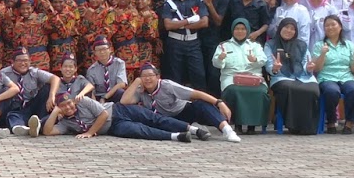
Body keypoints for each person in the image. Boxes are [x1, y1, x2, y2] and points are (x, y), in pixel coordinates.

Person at [120, 63, 242, 142]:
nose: (147, 79)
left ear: (157, 77)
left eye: (150, 75)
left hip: (182, 112)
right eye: (143, 76)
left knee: (201, 105)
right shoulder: (141, 91)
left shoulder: (167, 85)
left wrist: (219, 103)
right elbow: (124, 101)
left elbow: (196, 94)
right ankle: (196, 130)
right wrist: (136, 82)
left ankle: (227, 131)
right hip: (165, 120)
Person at [41, 91, 200, 142]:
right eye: (63, 106)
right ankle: (176, 136)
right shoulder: (66, 123)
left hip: (118, 110)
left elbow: (103, 114)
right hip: (113, 127)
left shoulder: (83, 101)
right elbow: (48, 132)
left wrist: (89, 133)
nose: (68, 107)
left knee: (154, 119)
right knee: (140, 130)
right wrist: (55, 111)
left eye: (69, 103)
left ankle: (193, 130)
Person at [267, 18, 321, 135]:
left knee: (312, 90)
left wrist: (308, 68)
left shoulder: (302, 45)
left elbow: (306, 62)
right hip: (281, 77)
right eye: (286, 27)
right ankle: (293, 125)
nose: (289, 31)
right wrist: (274, 68)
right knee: (288, 88)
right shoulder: (271, 44)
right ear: (280, 28)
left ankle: (308, 127)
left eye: (292, 29)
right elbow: (269, 64)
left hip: (303, 77)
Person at [311, 15, 354, 134]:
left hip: (346, 77)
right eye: (327, 25)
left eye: (333, 24)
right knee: (332, 91)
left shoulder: (349, 45)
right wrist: (323, 54)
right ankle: (331, 121)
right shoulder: (319, 45)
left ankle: (349, 123)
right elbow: (317, 69)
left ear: (340, 27)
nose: (330, 27)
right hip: (327, 77)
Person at [213, 19, 268, 134]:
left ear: (247, 30)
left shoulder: (255, 45)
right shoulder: (224, 45)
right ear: (232, 30)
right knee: (233, 91)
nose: (240, 31)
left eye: (243, 29)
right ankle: (237, 124)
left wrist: (255, 59)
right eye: (237, 29)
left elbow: (263, 60)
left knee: (261, 92)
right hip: (231, 78)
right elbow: (216, 64)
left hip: (253, 77)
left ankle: (252, 126)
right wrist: (220, 58)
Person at [0, 49, 60, 138]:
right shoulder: (4, 73)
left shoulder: (34, 72)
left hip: (32, 106)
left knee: (47, 88)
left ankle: (38, 123)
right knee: (12, 116)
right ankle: (22, 128)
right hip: (14, 108)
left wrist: (51, 96)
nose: (23, 63)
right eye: (19, 60)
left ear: (30, 61)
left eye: (26, 60)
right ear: (12, 62)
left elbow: (55, 79)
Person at [158, 0, 206, 88]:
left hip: (193, 42)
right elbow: (168, 25)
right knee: (175, 76)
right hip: (175, 42)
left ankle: (200, 98)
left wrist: (179, 25)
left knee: (198, 74)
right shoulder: (169, 4)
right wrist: (189, 21)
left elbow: (204, 22)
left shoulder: (197, 0)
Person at [84, 37, 128, 103]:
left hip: (113, 94)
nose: (102, 52)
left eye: (104, 49)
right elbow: (91, 90)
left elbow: (121, 84)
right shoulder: (91, 70)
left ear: (110, 50)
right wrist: (96, 105)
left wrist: (105, 97)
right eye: (98, 50)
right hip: (99, 97)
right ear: (95, 53)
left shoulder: (119, 63)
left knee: (120, 92)